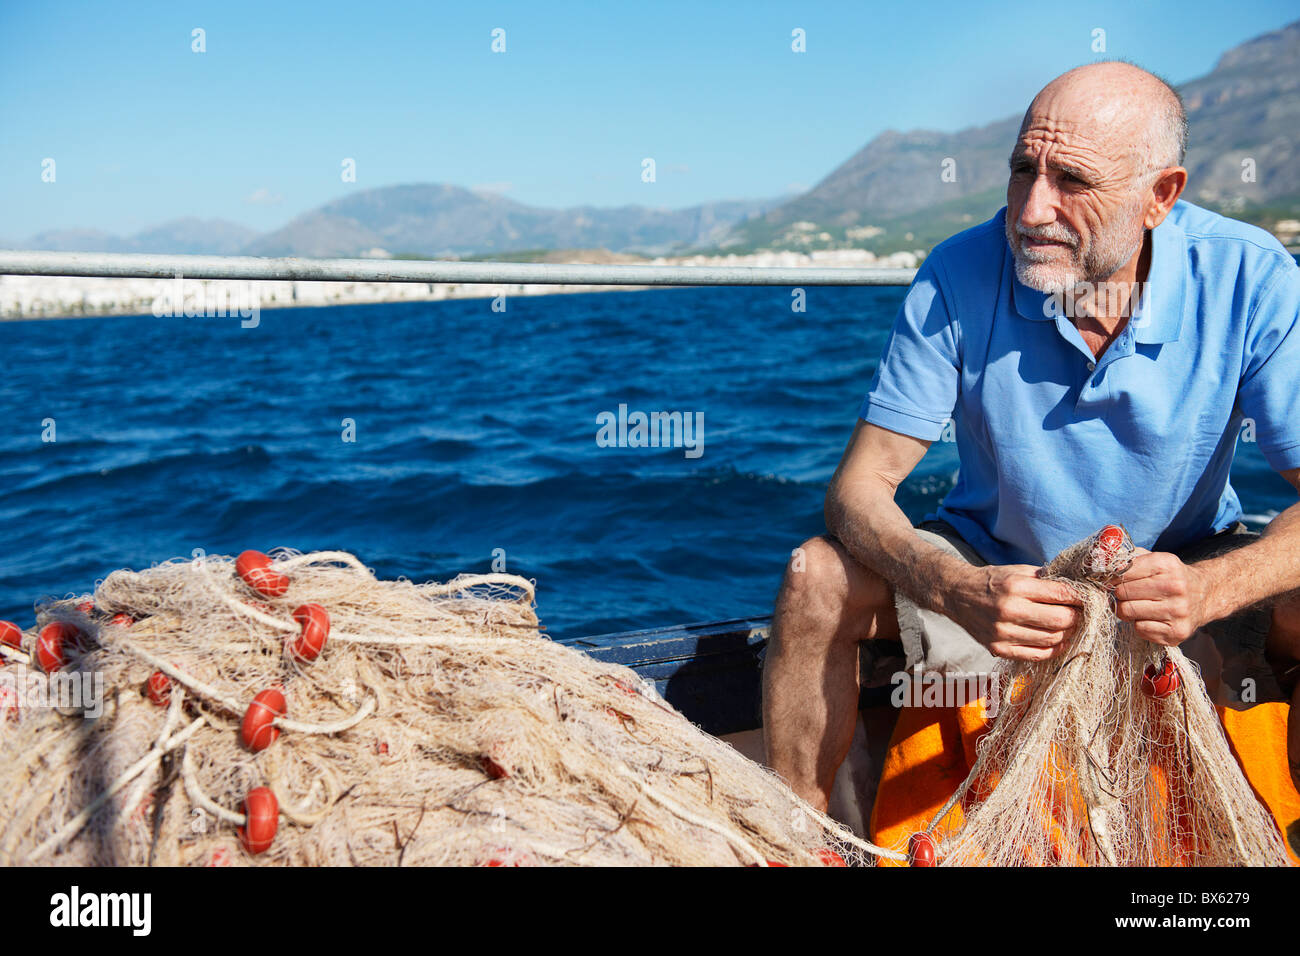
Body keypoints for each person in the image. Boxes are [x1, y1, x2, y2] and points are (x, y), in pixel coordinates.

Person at [762, 61, 1300, 813]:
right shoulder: (957, 272)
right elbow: (857, 490)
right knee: (813, 578)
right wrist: (955, 586)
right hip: (997, 575)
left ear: (1160, 197)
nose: (1031, 209)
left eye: (1071, 181)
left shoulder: (1251, 276)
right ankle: (798, 842)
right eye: (1023, 170)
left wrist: (1209, 587)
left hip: (1181, 569)